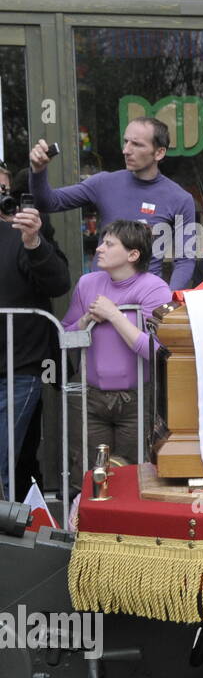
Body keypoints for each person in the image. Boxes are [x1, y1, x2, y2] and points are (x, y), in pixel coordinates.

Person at [29, 118, 196, 290]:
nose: (126, 150)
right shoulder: (104, 183)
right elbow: (47, 203)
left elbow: (185, 259)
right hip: (98, 297)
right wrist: (38, 170)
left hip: (144, 302)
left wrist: (167, 300)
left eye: (137, 144)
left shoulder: (180, 199)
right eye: (126, 142)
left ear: (159, 153)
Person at [61, 220, 171, 467]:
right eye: (102, 242)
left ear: (133, 254)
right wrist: (86, 318)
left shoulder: (154, 288)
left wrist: (114, 315)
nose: (100, 248)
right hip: (91, 398)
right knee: (90, 472)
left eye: (109, 244)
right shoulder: (87, 283)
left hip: (137, 399)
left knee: (133, 472)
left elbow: (156, 351)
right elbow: (66, 339)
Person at [0, 194, 69, 499]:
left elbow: (58, 283)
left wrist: (33, 242)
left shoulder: (23, 234)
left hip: (19, 369)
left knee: (5, 461)